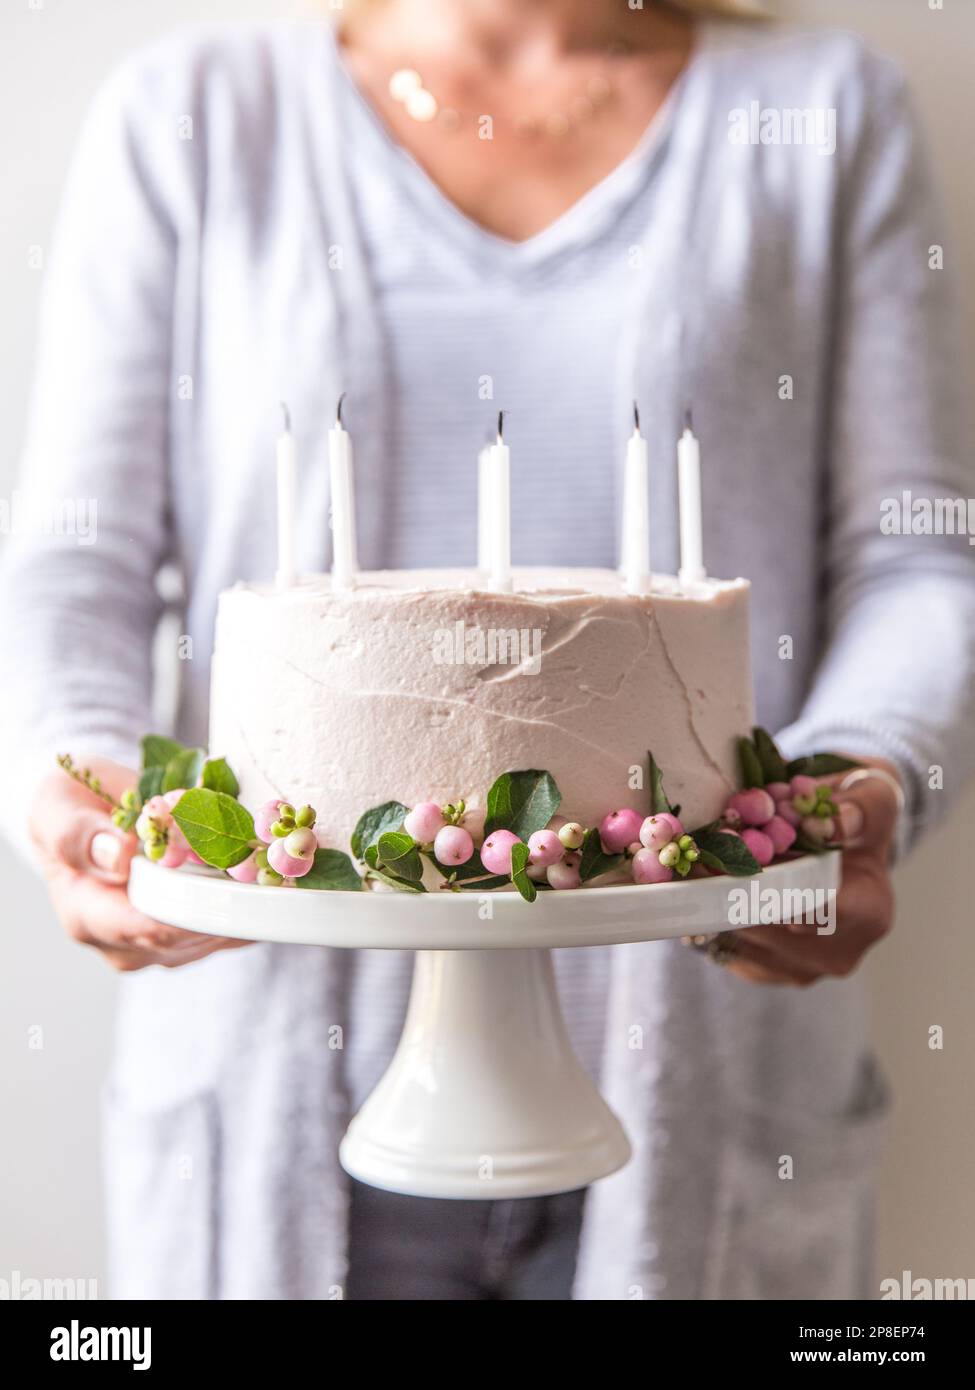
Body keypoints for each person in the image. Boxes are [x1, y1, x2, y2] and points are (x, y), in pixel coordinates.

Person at [2, 0, 973, 1300]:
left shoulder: (825, 112)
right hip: (274, 1086)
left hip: (711, 1078)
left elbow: (915, 554)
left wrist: (863, 781)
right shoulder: (198, 118)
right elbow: (78, 560)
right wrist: (88, 792)